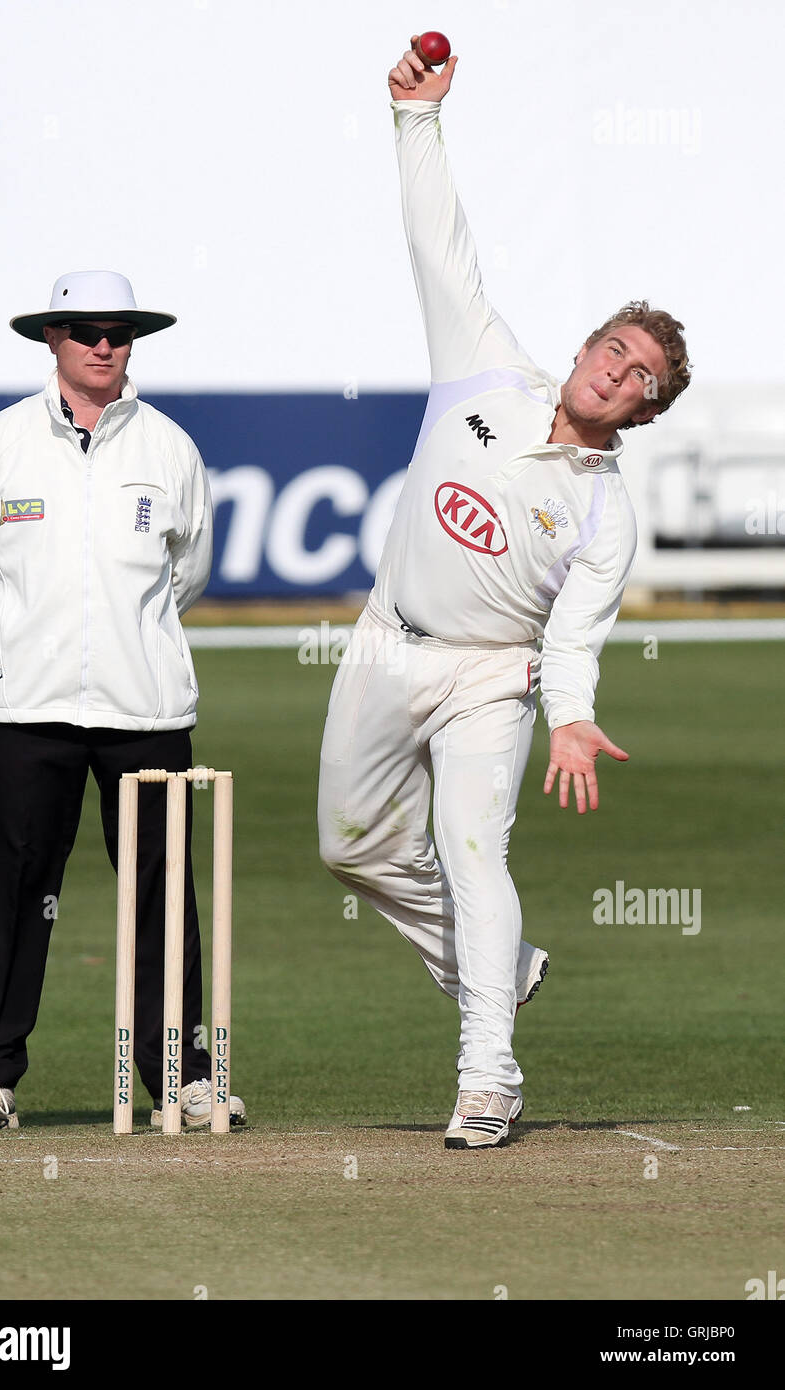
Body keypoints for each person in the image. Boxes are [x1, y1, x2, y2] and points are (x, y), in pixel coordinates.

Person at [318, 43, 691, 1150]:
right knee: (348, 847)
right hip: (388, 642)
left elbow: (574, 635)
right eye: (613, 351)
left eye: (639, 381)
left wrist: (568, 718)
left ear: (639, 413)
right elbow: (438, 247)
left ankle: (488, 1075)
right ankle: (502, 968)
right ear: (582, 347)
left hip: (492, 679)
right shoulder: (483, 364)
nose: (615, 374)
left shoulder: (603, 512)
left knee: (475, 854)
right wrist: (412, 117)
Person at [0, 271, 245, 1132]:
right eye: (84, 331)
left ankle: (183, 1077)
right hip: (26, 708)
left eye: (117, 331)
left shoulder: (168, 448)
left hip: (144, 710)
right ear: (52, 340)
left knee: (162, 891)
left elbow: (189, 574)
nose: (102, 345)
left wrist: (124, 641)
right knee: (14, 890)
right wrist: (28, 636)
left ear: (133, 342)